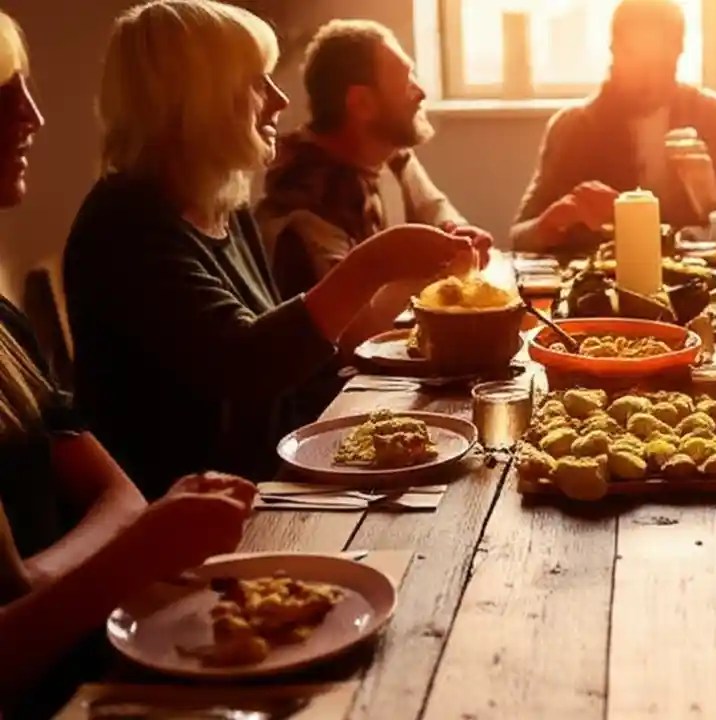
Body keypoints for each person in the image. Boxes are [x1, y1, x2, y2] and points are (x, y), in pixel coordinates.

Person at [63, 0, 487, 499]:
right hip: (192, 513)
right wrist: (374, 264)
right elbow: (246, 366)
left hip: (268, 472)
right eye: (258, 81)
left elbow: (288, 370)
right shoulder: (126, 223)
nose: (280, 99)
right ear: (199, 99)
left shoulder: (222, 202)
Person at [0, 11, 257, 712]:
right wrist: (123, 558)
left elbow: (122, 497)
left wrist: (47, 580)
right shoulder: (124, 220)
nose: (34, 114)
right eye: (3, 90)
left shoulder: (1, 328)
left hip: (102, 640)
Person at [255, 18, 493, 348]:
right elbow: (353, 334)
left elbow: (440, 213)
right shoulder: (304, 201)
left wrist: (458, 235)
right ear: (362, 103)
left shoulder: (391, 157)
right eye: (406, 81)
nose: (420, 92)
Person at [509, 0, 716, 254]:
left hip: (701, 285)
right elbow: (519, 237)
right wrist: (552, 222)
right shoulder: (573, 126)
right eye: (634, 60)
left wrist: (711, 195)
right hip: (603, 287)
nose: (647, 77)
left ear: (679, 52)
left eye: (659, 62)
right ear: (613, 51)